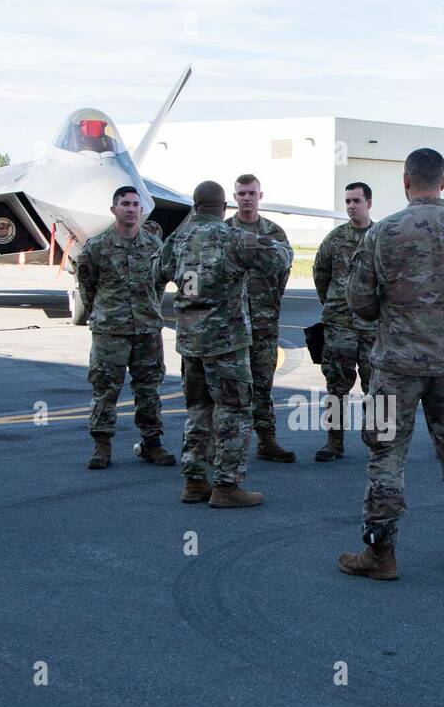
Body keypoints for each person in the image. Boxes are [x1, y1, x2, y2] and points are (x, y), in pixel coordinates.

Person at [338, 148, 444, 580]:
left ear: (405, 181)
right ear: (443, 183)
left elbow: (361, 303)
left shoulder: (383, 233)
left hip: (396, 368)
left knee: (387, 457)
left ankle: (381, 553)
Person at [154, 181, 291, 507]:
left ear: (195, 206)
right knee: (233, 411)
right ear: (224, 207)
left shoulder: (177, 240)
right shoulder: (232, 238)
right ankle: (227, 485)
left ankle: (194, 481)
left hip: (190, 342)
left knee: (198, 411)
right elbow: (280, 261)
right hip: (226, 343)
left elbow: (156, 273)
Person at [76, 185, 174, 469]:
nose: (131, 208)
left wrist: (147, 311)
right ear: (114, 210)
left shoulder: (154, 247)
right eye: (125, 204)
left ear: (141, 210)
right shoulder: (97, 247)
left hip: (147, 332)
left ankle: (151, 444)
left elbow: (160, 283)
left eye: (135, 204)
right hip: (110, 332)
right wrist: (107, 315)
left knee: (149, 390)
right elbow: (87, 288)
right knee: (105, 390)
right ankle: (102, 447)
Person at [226, 174, 295, 462]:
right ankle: (228, 446)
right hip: (230, 326)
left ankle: (267, 441)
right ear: (235, 196)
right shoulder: (224, 231)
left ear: (260, 195)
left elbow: (284, 269)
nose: (246, 198)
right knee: (231, 388)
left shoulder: (273, 232)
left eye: (251, 193)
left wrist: (269, 303)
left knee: (263, 384)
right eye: (241, 193)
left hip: (264, 323)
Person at [312, 182, 376, 462]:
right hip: (339, 325)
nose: (351, 206)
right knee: (336, 386)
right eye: (348, 201)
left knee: (377, 387)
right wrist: (333, 302)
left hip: (374, 327)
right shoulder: (335, 238)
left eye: (356, 201)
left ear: (369, 203)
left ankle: (379, 443)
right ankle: (334, 442)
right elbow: (320, 271)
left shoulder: (381, 237)